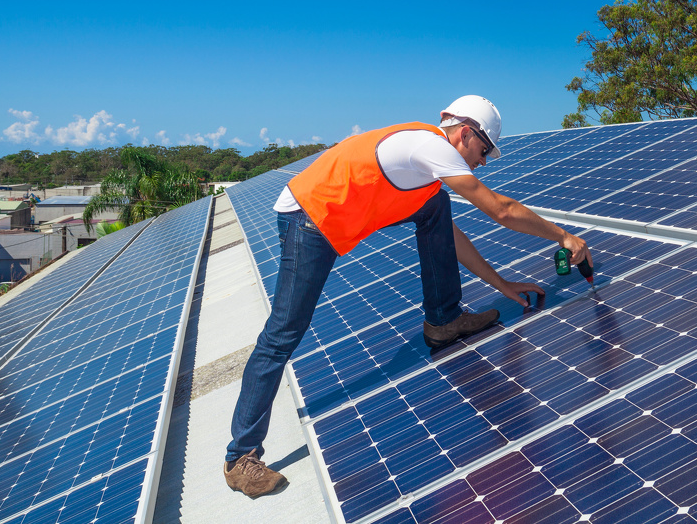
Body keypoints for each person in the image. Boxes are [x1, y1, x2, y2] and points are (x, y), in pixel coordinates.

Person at [223, 95, 592, 498]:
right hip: (310, 218)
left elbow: (452, 238)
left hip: (335, 214)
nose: (483, 161)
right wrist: (564, 236)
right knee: (284, 332)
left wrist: (502, 285)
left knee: (436, 208)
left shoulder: (426, 174)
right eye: (483, 150)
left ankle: (443, 320)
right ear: (465, 133)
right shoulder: (430, 146)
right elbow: (500, 210)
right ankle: (240, 456)